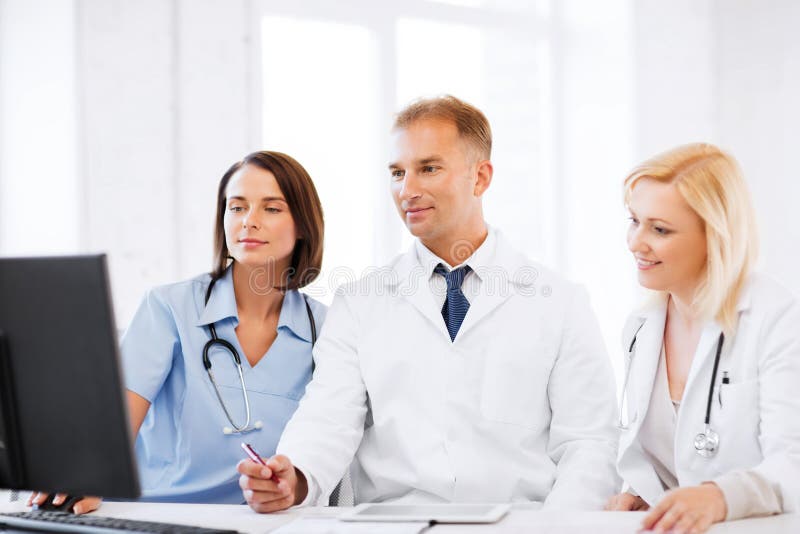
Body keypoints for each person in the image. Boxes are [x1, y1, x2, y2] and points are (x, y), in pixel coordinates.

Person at [237, 95, 619, 512]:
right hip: (395, 524)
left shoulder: (560, 302)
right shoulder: (360, 302)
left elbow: (589, 443)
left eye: (429, 169)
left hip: (519, 525)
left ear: (480, 178)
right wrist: (295, 479)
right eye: (397, 173)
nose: (407, 190)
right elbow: (328, 416)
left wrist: (554, 529)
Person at [29, 150, 326, 512]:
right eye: (236, 207)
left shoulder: (323, 329)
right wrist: (87, 476)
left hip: (259, 521)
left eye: (272, 208)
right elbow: (113, 431)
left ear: (303, 225)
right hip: (154, 512)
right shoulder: (168, 307)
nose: (249, 221)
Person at [606, 143, 800, 533]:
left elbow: (792, 464)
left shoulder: (778, 320)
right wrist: (649, 494)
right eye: (634, 221)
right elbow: (673, 459)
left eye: (659, 229)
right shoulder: (641, 327)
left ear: (715, 236)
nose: (635, 242)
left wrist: (719, 497)